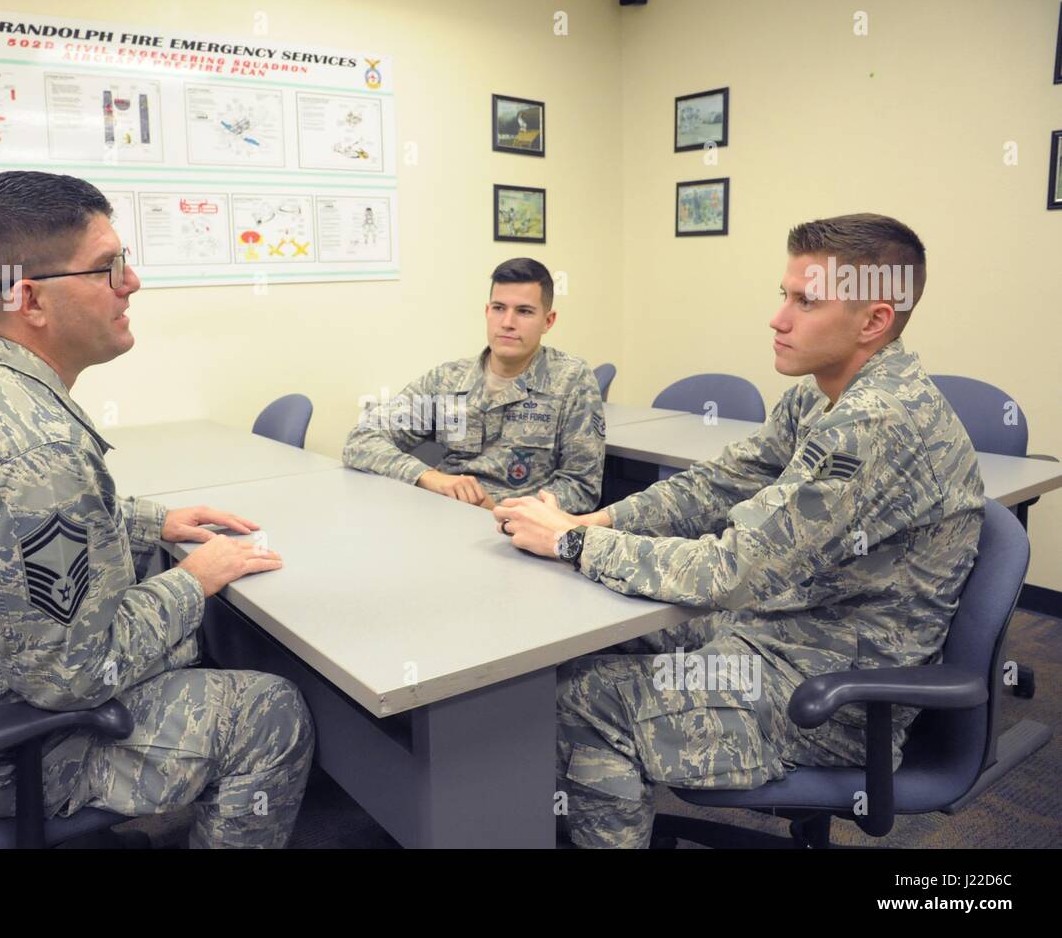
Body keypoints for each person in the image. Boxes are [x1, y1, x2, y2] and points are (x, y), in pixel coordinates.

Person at [493, 213, 984, 848]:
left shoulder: (876, 422)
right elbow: (720, 481)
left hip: (828, 694)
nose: (779, 318)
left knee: (585, 702)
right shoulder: (821, 396)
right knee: (568, 648)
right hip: (777, 627)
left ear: (873, 321)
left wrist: (570, 541)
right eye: (784, 295)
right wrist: (599, 519)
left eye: (806, 301)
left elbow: (733, 569)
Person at [0, 171, 313, 848]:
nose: (131, 284)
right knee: (271, 711)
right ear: (28, 298)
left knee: (181, 626)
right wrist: (192, 580)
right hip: (1, 749)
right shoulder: (38, 455)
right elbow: (72, 675)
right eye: (108, 268)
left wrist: (148, 522)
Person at [342, 257, 606, 513]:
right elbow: (361, 440)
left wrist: (506, 511)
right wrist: (427, 476)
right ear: (487, 311)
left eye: (524, 311)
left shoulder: (572, 380)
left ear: (548, 321)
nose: (507, 323)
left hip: (519, 532)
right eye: (499, 308)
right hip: (443, 516)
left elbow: (581, 486)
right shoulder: (448, 379)